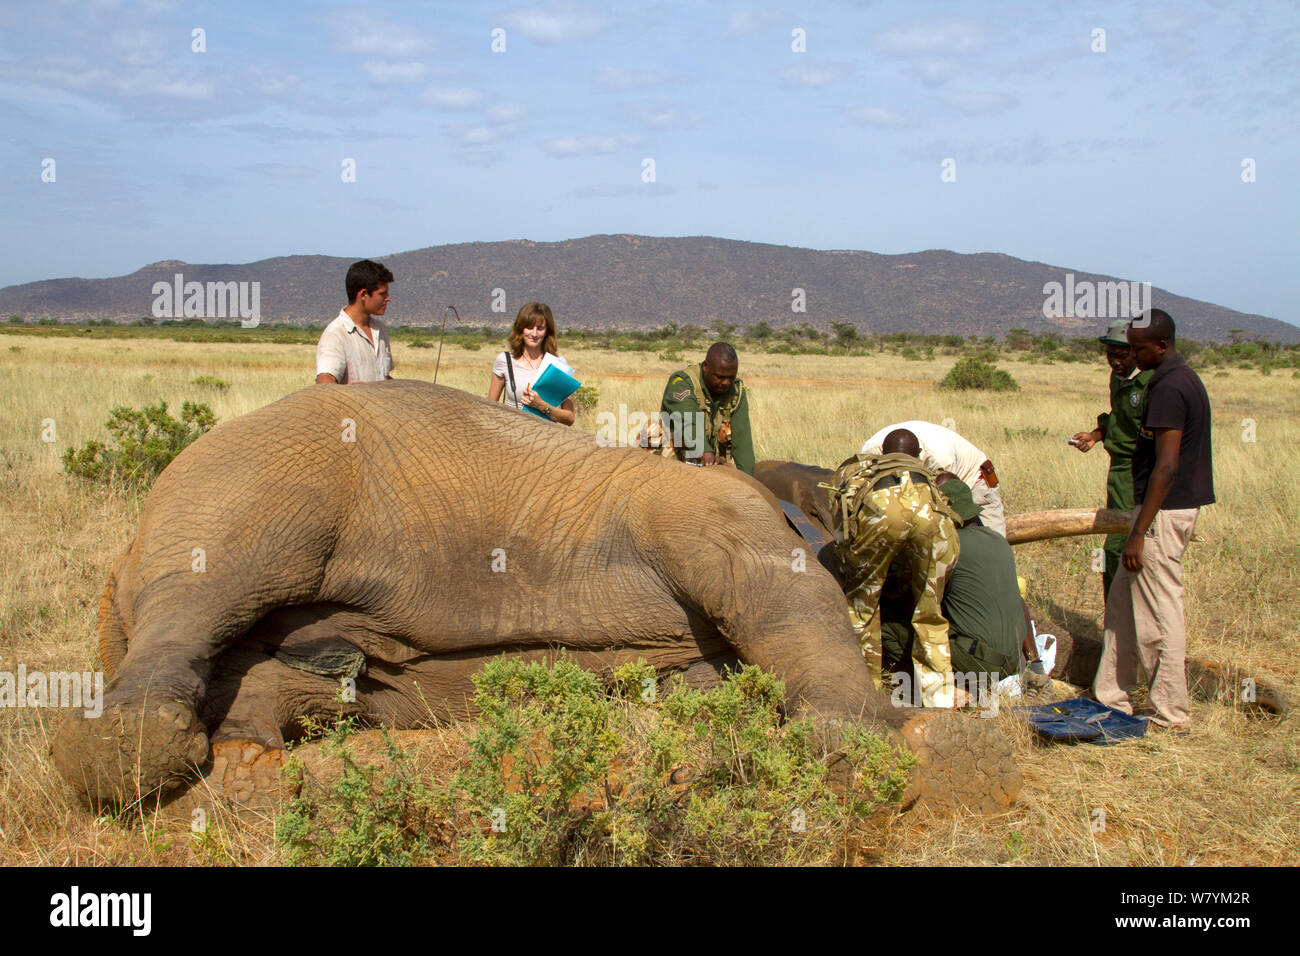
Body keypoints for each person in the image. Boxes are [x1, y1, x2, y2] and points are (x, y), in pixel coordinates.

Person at [1094, 309, 1214, 734]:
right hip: (1156, 512)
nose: (1133, 355)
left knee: (1160, 616)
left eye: (1139, 348)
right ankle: (1113, 696)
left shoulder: (1167, 389)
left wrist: (1139, 533)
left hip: (1160, 514)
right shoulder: (1181, 379)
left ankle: (1170, 715)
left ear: (1161, 346)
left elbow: (1165, 467)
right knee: (1123, 609)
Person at [881, 475, 1050, 700]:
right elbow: (1019, 602)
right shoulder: (998, 541)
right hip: (1011, 662)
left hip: (980, 664)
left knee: (888, 626)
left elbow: (916, 602)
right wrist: (1035, 663)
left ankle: (939, 691)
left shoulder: (949, 547)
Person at [828, 428, 961, 708]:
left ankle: (866, 691)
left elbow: (842, 524)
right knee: (930, 613)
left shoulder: (863, 470)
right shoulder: (928, 476)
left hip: (881, 510)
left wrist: (854, 566)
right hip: (933, 517)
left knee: (863, 606)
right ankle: (940, 696)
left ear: (883, 454)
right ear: (918, 456)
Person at [1070, 319, 1154, 599]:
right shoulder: (1118, 380)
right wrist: (1096, 435)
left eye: (1122, 355)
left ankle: (1120, 612)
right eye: (1110, 356)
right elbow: (1117, 417)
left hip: (1138, 470)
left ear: (1137, 352)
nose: (1115, 362)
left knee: (1118, 546)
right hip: (1118, 469)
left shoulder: (1149, 384)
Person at [860, 420, 1006, 537]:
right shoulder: (871, 451)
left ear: (918, 454)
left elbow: (942, 507)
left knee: (992, 540)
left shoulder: (939, 458)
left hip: (974, 479)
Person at [659, 342, 755, 474]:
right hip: (674, 459)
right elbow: (689, 419)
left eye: (731, 377)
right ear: (705, 366)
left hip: (707, 462)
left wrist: (749, 479)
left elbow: (742, 439)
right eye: (720, 377)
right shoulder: (682, 383)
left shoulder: (736, 391)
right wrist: (704, 450)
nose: (726, 383)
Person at [487, 302, 577, 426]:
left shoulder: (558, 364)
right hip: (512, 435)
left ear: (547, 331)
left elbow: (570, 418)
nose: (534, 334)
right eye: (529, 327)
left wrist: (541, 405)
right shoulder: (505, 360)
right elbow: (490, 407)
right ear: (520, 328)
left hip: (545, 438)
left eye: (540, 328)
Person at [315, 259, 396, 385]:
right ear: (364, 294)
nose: (388, 298)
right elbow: (324, 380)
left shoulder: (381, 329)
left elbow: (384, 378)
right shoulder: (336, 334)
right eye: (382, 293)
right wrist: (348, 394)